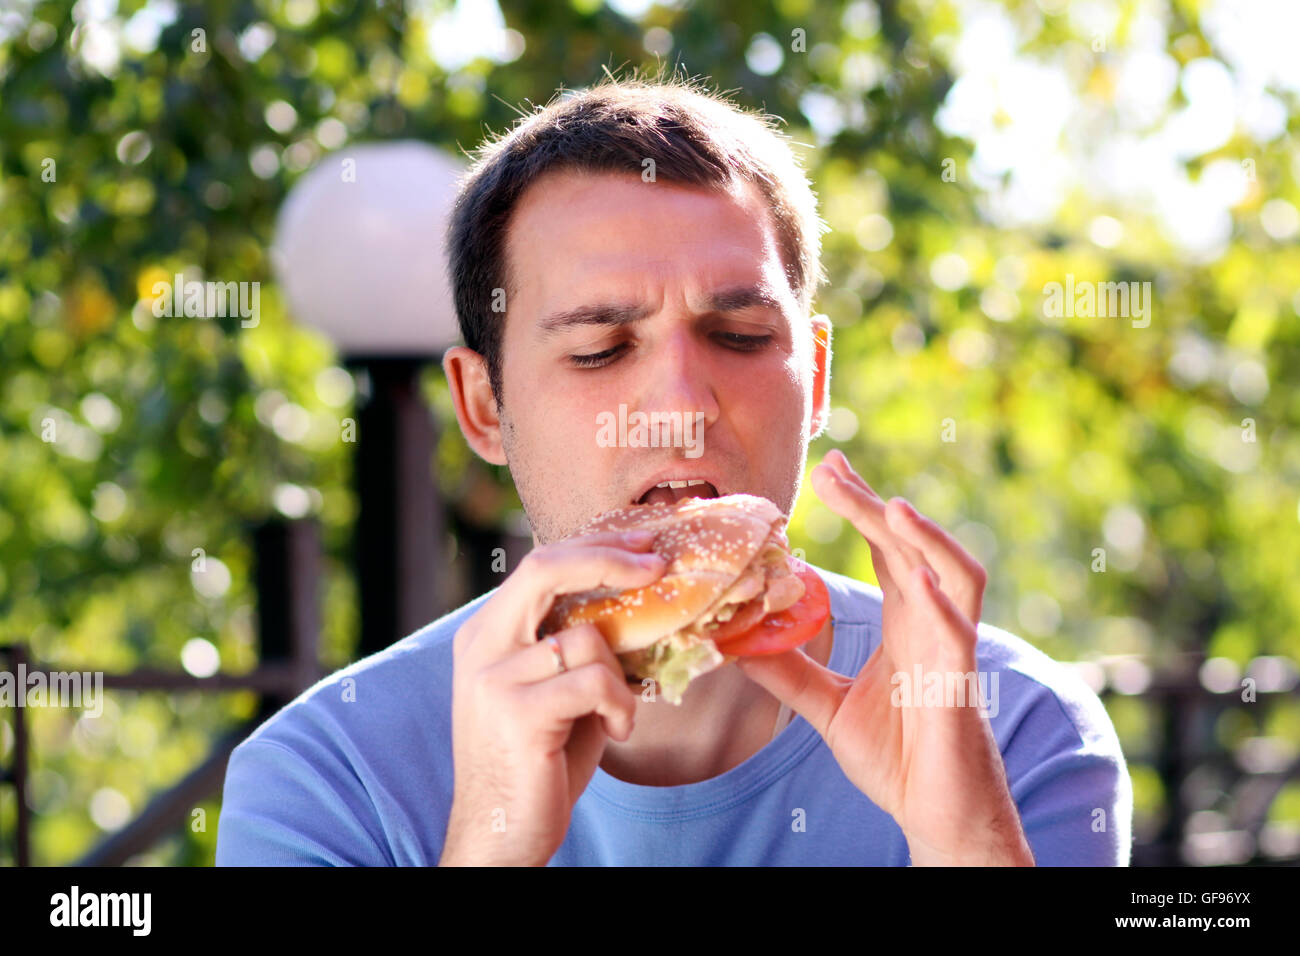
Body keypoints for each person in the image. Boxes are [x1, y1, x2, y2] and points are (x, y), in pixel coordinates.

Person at [216, 74, 1132, 866]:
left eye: (737, 337)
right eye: (602, 349)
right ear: (485, 407)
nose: (680, 404)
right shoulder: (324, 775)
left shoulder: (1015, 730)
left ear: (814, 380)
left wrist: (965, 837)